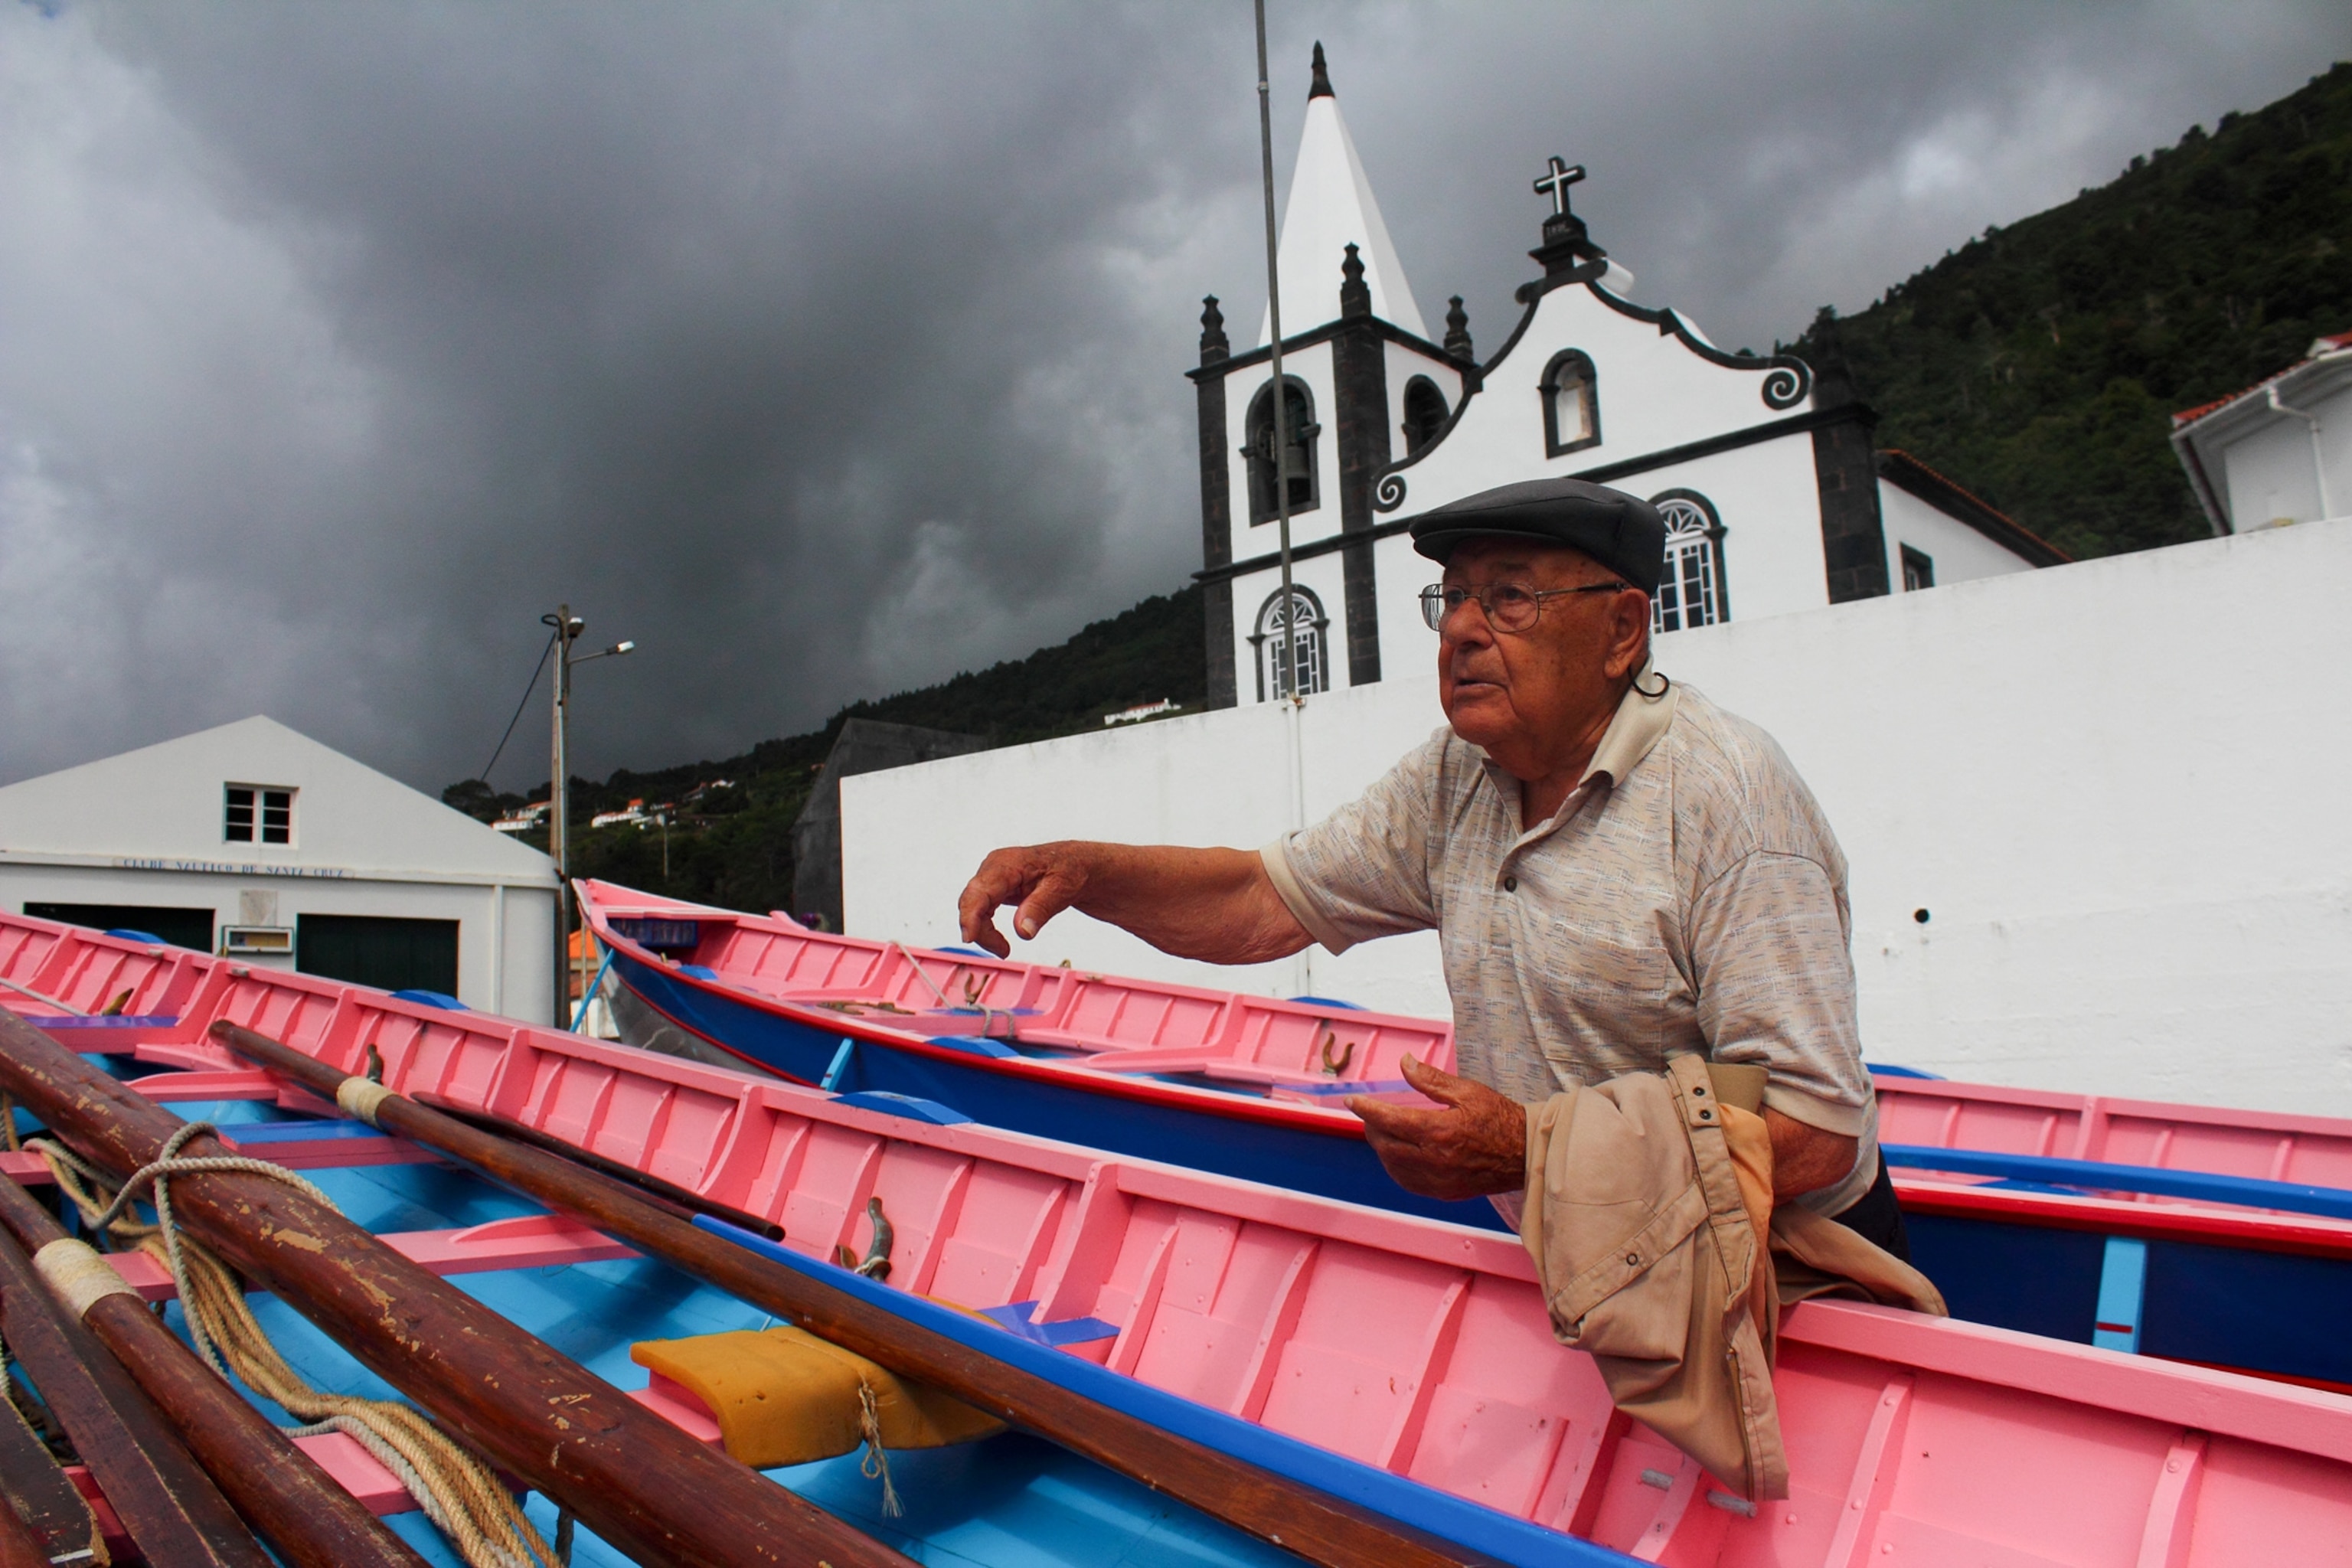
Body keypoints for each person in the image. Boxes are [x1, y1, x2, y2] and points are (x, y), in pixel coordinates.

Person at [956, 476, 1904, 1253]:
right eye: (1452, 598)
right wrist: (1088, 872)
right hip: (1589, 1256)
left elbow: (1813, 1130)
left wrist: (1534, 1147)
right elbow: (1260, 902)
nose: (1460, 629)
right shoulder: (1462, 775)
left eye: (1511, 596)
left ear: (1623, 631)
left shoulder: (1726, 799)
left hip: (1772, 1280)